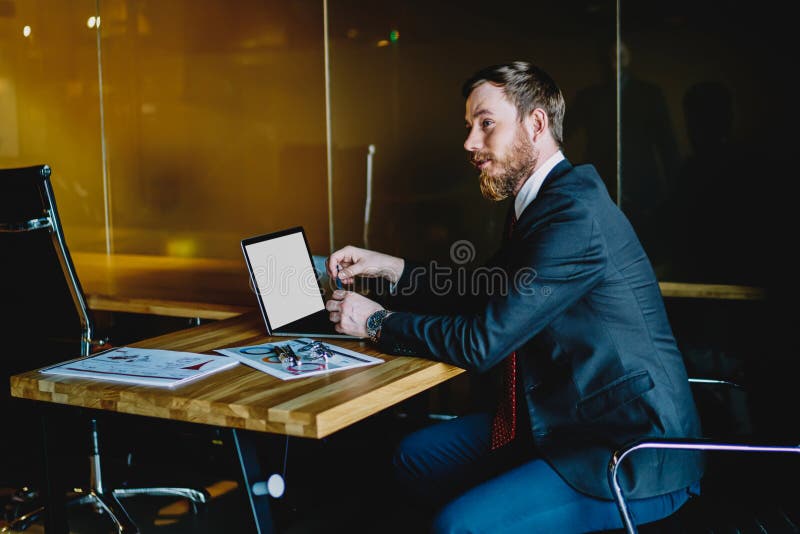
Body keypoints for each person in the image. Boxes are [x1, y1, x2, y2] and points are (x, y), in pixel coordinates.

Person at [325, 61, 703, 533]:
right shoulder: (544, 206)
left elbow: (483, 340)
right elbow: (478, 292)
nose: (469, 143)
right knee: (413, 458)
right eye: (469, 127)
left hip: (625, 448)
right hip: (560, 419)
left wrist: (376, 323)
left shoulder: (573, 215)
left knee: (457, 526)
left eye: (486, 124)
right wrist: (388, 266)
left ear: (536, 123)